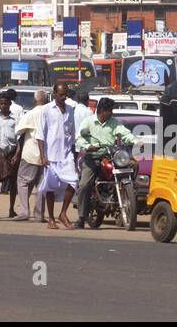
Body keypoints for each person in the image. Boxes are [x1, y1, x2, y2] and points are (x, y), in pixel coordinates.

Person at [73, 97, 137, 227]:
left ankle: (126, 193)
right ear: (103, 111)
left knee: (133, 165)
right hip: (92, 157)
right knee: (85, 184)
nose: (112, 113)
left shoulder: (114, 123)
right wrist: (87, 146)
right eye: (110, 110)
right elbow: (79, 137)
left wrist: (136, 141)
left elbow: (124, 133)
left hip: (109, 157)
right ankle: (81, 217)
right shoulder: (88, 121)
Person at [36, 86, 79, 230]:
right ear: (54, 94)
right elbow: (40, 135)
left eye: (65, 95)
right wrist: (43, 156)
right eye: (61, 94)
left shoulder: (70, 110)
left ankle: (63, 213)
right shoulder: (46, 110)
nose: (63, 97)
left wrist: (74, 154)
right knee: (50, 187)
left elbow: (72, 134)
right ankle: (51, 218)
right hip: (51, 155)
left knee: (73, 181)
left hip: (66, 155)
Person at [13, 89, 49, 222]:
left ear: (35, 100)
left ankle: (24, 211)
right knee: (41, 185)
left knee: (22, 181)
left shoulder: (31, 113)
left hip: (31, 153)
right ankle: (39, 214)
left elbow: (18, 130)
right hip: (46, 155)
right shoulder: (50, 113)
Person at [0, 90, 21, 218]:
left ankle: (11, 209)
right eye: (1, 103)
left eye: (5, 104)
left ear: (9, 104)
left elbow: (19, 139)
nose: (3, 106)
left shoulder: (15, 120)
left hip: (11, 154)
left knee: (13, 182)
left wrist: (17, 155)